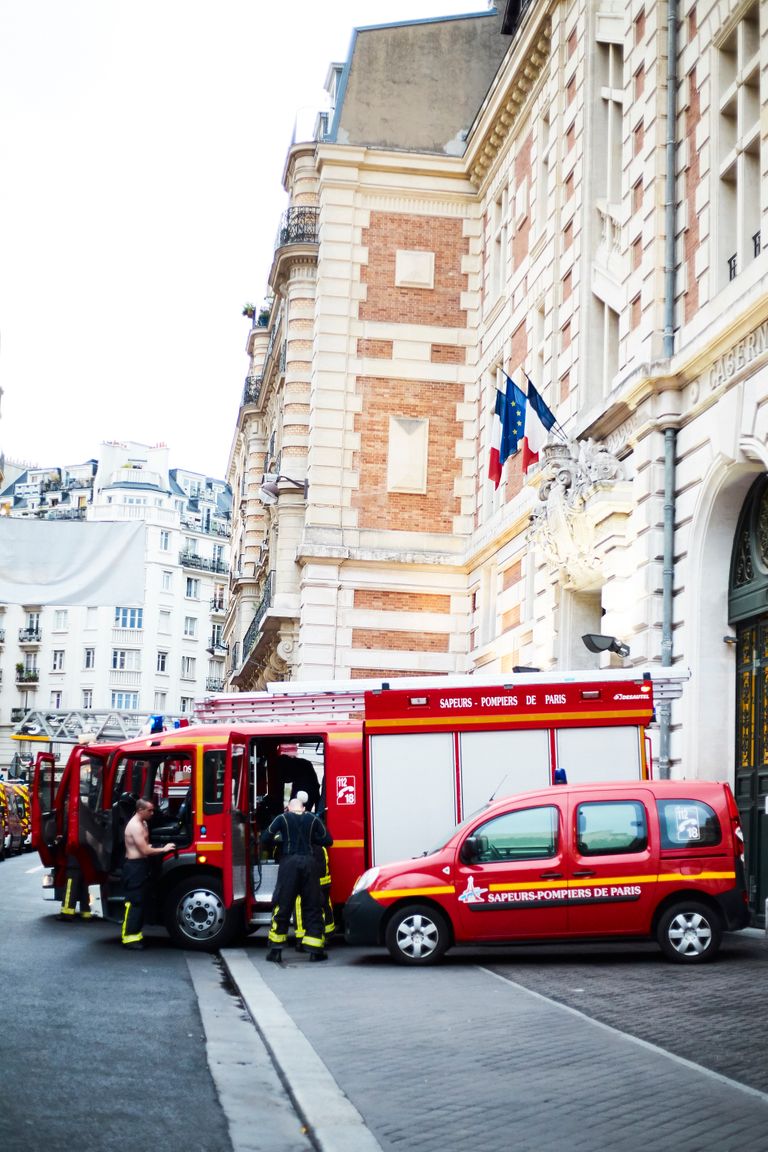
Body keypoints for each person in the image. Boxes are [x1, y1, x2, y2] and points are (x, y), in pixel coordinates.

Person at [261, 790, 332, 963]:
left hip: (289, 864)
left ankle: (276, 950)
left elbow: (265, 838)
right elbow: (327, 840)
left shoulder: (282, 818)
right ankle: (315, 951)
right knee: (313, 905)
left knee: (282, 905)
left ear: (288, 808)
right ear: (304, 807)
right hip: (310, 863)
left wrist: (280, 839)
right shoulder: (313, 819)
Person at [121, 799, 175, 951]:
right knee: (134, 902)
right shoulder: (135, 826)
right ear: (140, 810)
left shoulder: (143, 824)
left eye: (153, 810)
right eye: (149, 810)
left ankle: (136, 935)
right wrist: (163, 849)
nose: (152, 813)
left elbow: (146, 847)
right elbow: (144, 850)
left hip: (142, 866)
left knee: (141, 901)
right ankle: (129, 938)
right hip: (134, 867)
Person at [57, 855, 96, 921]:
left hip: (74, 866)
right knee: (86, 890)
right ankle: (86, 914)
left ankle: (67, 914)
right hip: (87, 865)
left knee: (70, 890)